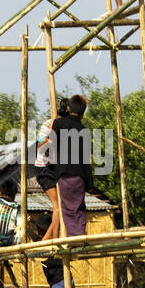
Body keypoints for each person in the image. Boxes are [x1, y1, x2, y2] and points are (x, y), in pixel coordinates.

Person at [50, 93, 94, 238]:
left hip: (64, 173)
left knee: (68, 208)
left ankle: (73, 237)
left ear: (69, 108)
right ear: (82, 113)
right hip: (80, 174)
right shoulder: (84, 131)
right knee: (79, 207)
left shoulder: (59, 124)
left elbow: (52, 143)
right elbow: (85, 159)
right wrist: (89, 181)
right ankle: (79, 236)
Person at [35, 98, 68, 241]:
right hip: (44, 169)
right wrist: (51, 136)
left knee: (62, 206)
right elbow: (41, 147)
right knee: (58, 206)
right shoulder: (48, 125)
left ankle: (48, 239)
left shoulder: (67, 128)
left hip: (57, 169)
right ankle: (53, 240)